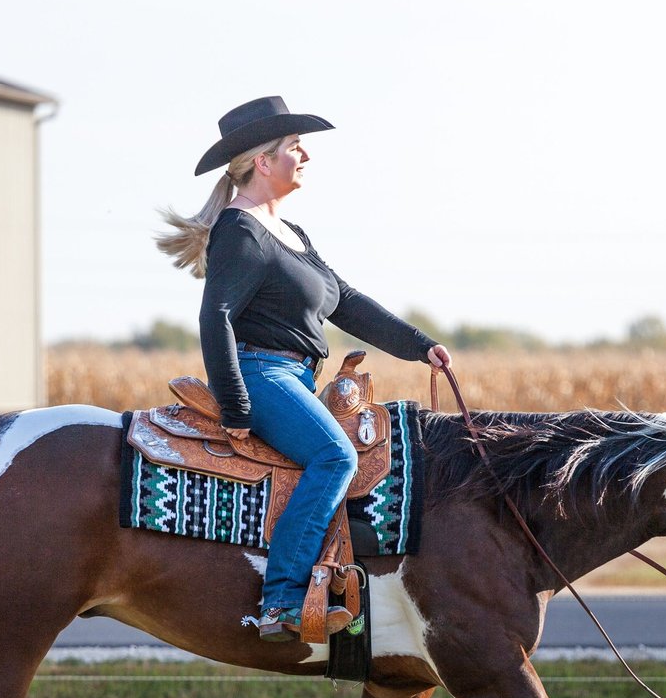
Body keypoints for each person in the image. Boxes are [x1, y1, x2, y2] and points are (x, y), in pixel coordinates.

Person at [157, 96, 452, 639]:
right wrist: (236, 404)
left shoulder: (291, 233)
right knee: (335, 456)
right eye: (295, 146)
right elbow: (216, 317)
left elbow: (347, 303)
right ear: (263, 161)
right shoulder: (240, 230)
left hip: (295, 377)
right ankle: (282, 601)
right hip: (262, 374)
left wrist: (419, 345)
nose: (306, 156)